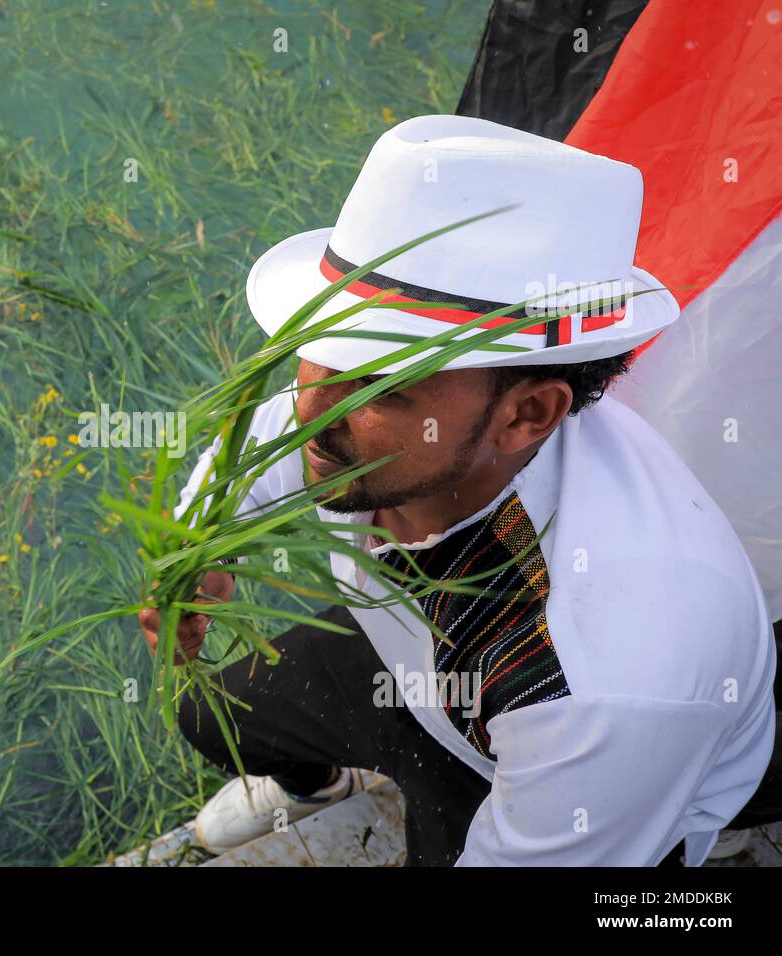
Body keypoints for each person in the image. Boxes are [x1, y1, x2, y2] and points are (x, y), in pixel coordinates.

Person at [140, 114, 778, 866]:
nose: (311, 410)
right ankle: (319, 787)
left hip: (554, 772)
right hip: (412, 672)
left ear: (527, 414)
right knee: (212, 715)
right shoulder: (367, 432)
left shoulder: (608, 682)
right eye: (316, 348)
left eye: (379, 387)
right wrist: (205, 540)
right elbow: (259, 445)